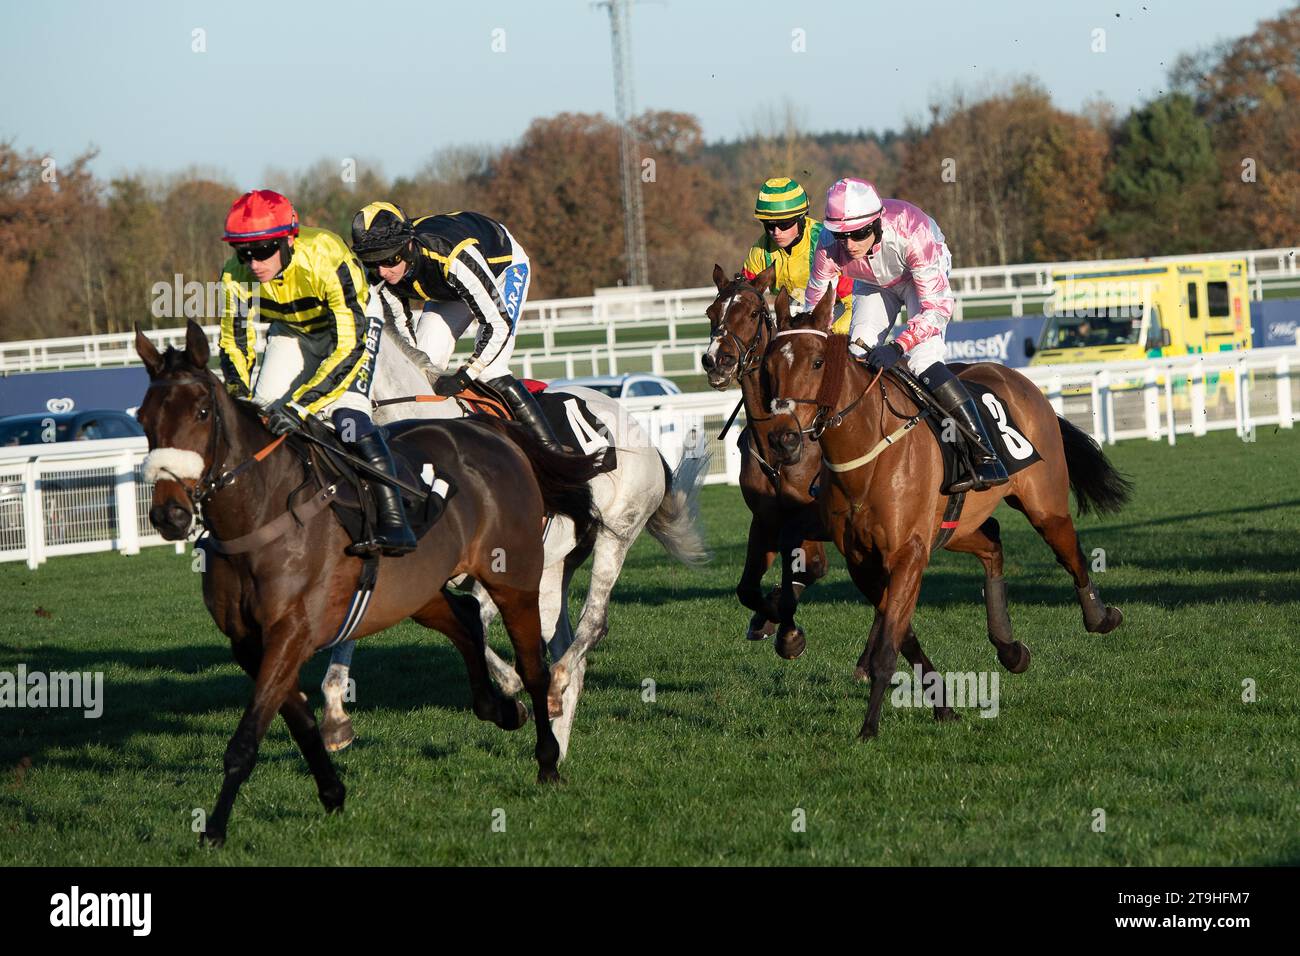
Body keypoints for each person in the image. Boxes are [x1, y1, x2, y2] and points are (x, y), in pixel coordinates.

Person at [218, 189, 419, 555]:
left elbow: (348, 345)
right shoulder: (235, 274)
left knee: (348, 418)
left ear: (288, 239)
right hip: (292, 332)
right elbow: (234, 342)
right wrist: (239, 399)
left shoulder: (325, 253)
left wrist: (302, 404)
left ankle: (396, 520)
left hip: (351, 330)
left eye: (263, 250)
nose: (254, 263)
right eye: (243, 252)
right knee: (259, 420)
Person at [804, 177, 1009, 492]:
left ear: (877, 223)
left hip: (919, 279)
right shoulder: (829, 246)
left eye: (857, 235)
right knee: (854, 359)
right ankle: (833, 465)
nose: (848, 245)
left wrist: (898, 347)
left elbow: (937, 309)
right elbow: (817, 311)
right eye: (840, 236)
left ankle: (985, 454)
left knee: (921, 359)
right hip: (872, 284)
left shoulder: (912, 232)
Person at [349, 202, 564, 450]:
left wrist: (464, 376)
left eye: (389, 260)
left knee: (490, 370)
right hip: (448, 289)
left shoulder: (452, 256)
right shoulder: (380, 275)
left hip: (500, 269)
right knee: (425, 368)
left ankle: (551, 450)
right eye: (372, 262)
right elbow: (403, 336)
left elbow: (498, 325)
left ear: (408, 245)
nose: (382, 271)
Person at [742, 176, 855, 326]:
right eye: (769, 225)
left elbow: (854, 304)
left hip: (836, 313)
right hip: (791, 315)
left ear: (801, 218)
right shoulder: (760, 250)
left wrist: (833, 332)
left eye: (784, 224)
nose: (776, 232)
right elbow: (743, 299)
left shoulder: (826, 243)